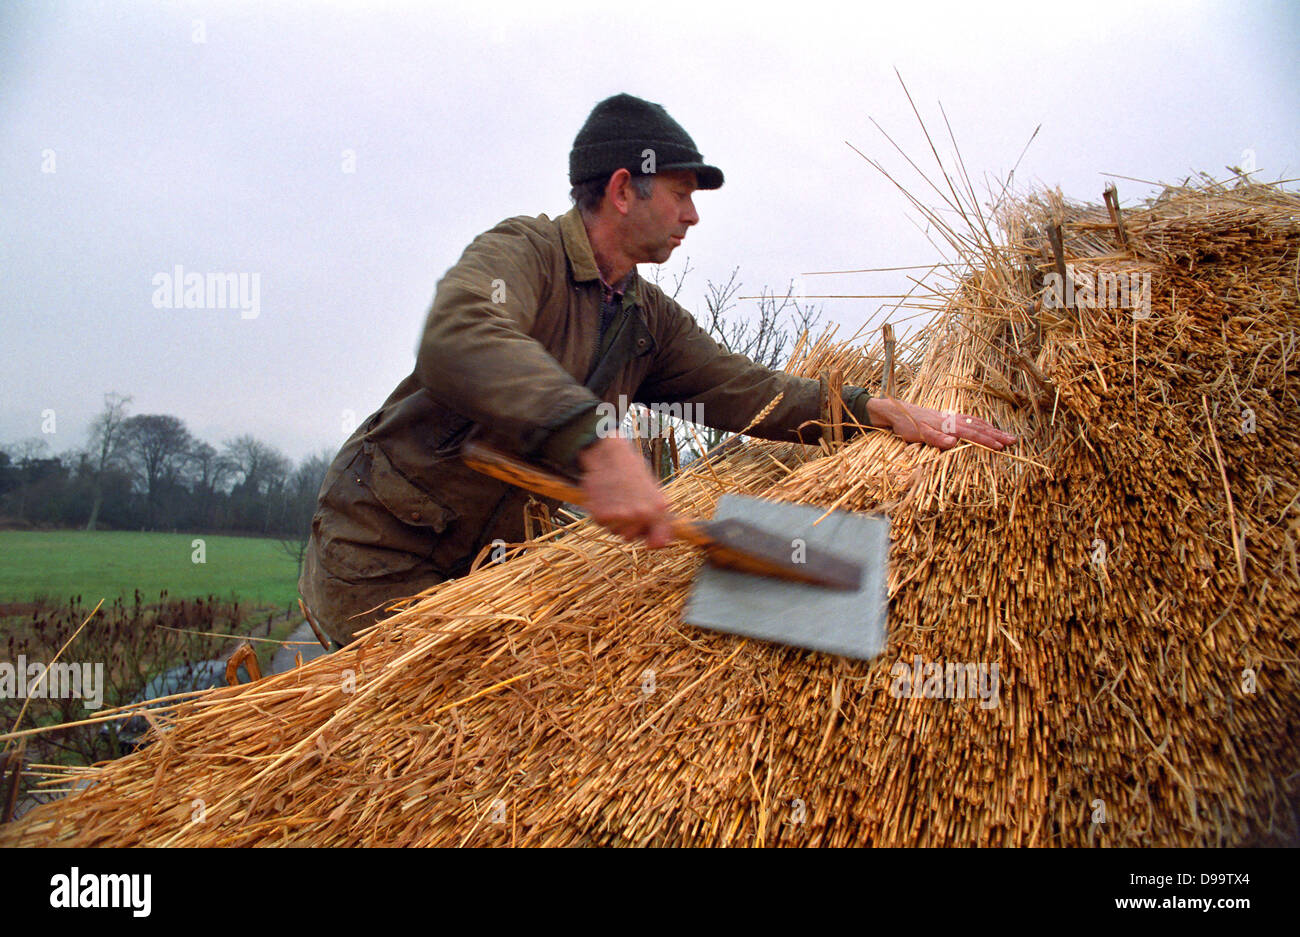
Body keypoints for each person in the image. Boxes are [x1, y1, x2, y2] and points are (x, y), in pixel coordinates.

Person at [298, 92, 1016, 646]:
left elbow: (748, 390)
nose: (693, 215)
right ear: (621, 190)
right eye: (680, 193)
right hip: (381, 553)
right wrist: (593, 441)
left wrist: (869, 409)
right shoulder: (525, 253)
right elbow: (459, 332)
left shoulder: (647, 320)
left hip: (481, 568)